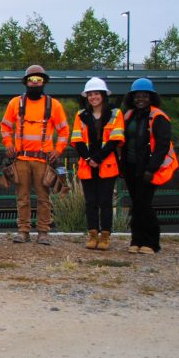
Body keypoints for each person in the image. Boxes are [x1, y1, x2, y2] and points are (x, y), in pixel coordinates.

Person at [1, 64, 70, 245]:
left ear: (44, 82)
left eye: (38, 80)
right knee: (22, 198)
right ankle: (23, 231)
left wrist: (58, 150)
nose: (35, 83)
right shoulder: (15, 103)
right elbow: (5, 126)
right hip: (21, 159)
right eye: (32, 80)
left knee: (43, 198)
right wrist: (8, 144)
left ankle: (43, 232)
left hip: (42, 159)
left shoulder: (53, 105)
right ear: (26, 82)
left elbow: (64, 131)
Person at [121, 78, 178, 255]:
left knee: (144, 204)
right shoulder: (128, 115)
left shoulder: (159, 117)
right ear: (132, 97)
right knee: (136, 204)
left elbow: (162, 147)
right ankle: (136, 240)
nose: (141, 99)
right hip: (130, 168)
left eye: (145, 96)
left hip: (147, 170)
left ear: (151, 97)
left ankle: (152, 242)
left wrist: (150, 169)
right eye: (137, 96)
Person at [71, 77, 125, 251]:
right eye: (90, 94)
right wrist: (88, 159)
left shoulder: (115, 114)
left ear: (103, 95)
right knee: (90, 202)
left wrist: (98, 158)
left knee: (105, 201)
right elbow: (77, 140)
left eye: (96, 93)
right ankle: (93, 235)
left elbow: (115, 139)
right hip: (88, 165)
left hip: (107, 164)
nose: (93, 97)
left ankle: (105, 236)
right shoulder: (81, 115)